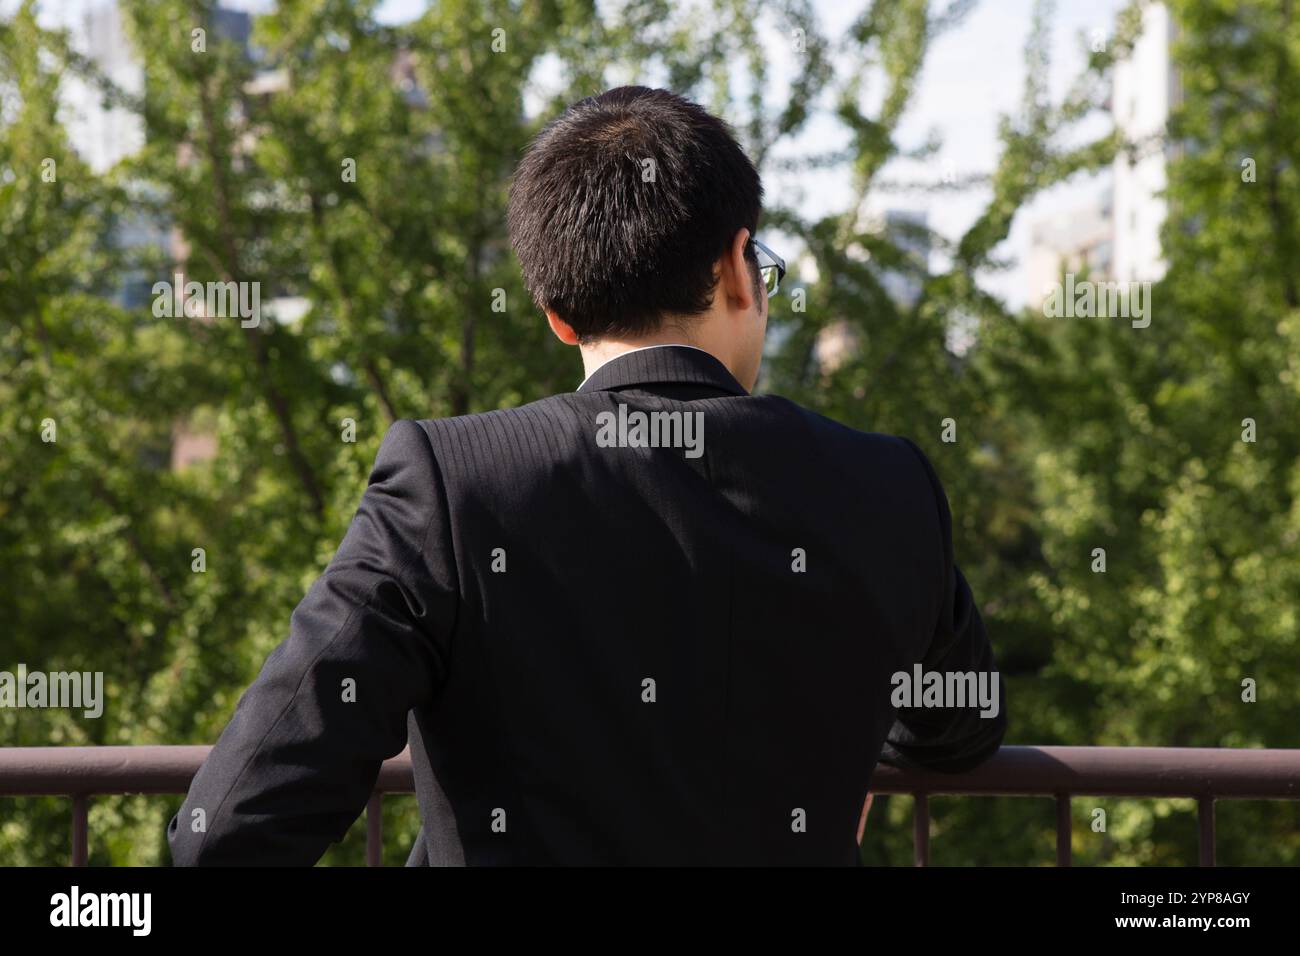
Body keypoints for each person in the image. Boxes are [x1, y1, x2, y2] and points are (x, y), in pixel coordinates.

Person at [168, 86, 1005, 866]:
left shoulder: (455, 484)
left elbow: (234, 824)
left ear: (558, 315)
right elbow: (960, 727)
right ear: (735, 266)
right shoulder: (886, 483)